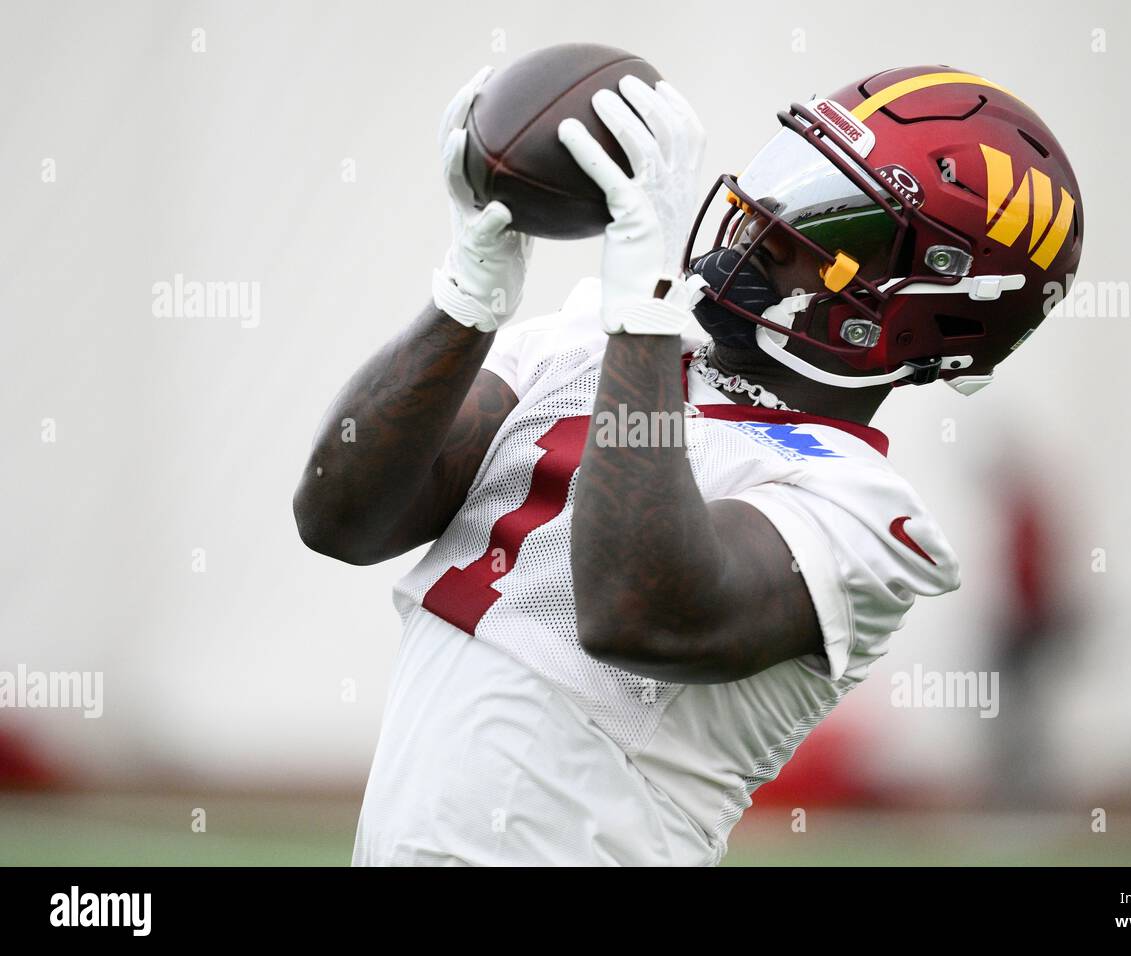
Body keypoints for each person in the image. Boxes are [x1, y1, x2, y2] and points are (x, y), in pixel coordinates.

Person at [293, 64, 1084, 865]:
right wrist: (466, 292)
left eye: (839, 223)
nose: (768, 225)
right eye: (793, 182)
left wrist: (644, 316)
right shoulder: (581, 343)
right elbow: (341, 516)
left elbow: (636, 608)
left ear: (934, 312)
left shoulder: (865, 514)